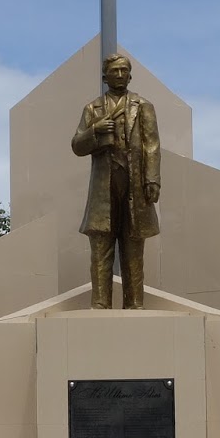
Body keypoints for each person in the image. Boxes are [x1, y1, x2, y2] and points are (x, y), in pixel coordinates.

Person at [72, 53, 161, 309]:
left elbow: (152, 144)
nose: (120, 75)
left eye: (124, 71)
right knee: (101, 246)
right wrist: (95, 131)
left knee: (133, 246)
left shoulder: (143, 106)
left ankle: (135, 303)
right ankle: (100, 303)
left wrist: (152, 179)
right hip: (104, 188)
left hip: (134, 185)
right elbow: (77, 145)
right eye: (114, 71)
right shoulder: (92, 109)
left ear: (130, 75)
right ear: (104, 76)